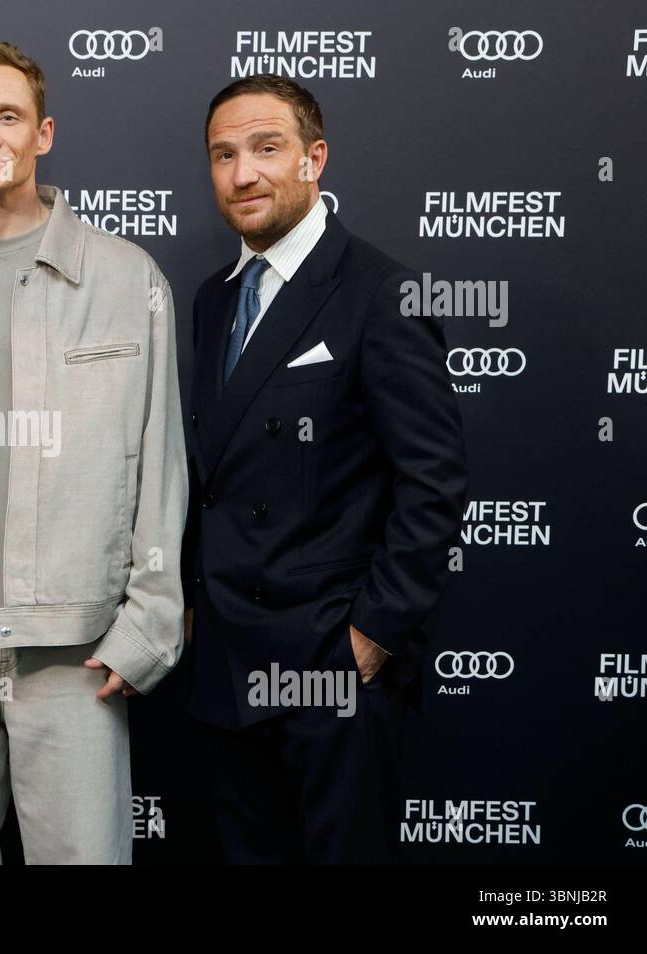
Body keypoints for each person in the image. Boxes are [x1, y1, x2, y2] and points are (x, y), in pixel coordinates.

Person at [0, 40, 188, 864]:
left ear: (43, 133)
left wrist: (149, 624)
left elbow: (160, 459)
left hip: (73, 645)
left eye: (7, 116)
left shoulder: (125, 277)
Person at [182, 74, 468, 863]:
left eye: (267, 149)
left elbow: (434, 482)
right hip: (228, 667)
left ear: (315, 159)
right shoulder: (212, 301)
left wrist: (371, 634)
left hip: (329, 667)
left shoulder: (382, 294)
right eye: (224, 154)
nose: (243, 173)